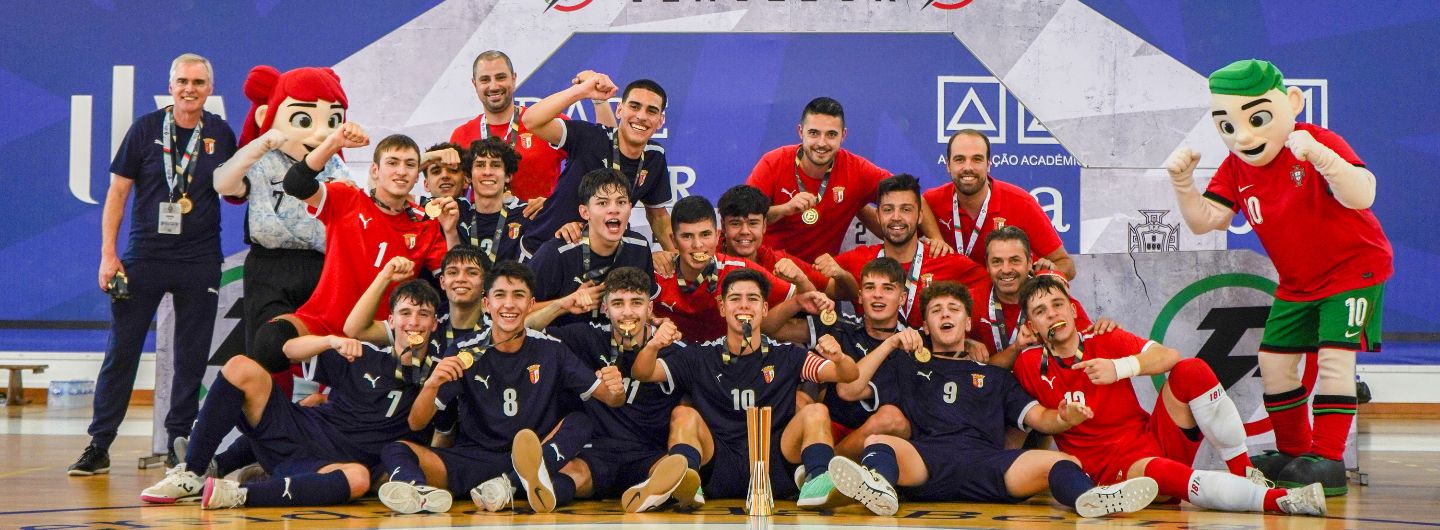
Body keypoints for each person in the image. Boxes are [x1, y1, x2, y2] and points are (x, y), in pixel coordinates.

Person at [1166, 59, 1391, 496]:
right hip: (1298, 282)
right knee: (1273, 362)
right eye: (1227, 126)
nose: (1243, 136)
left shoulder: (1316, 141)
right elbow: (1206, 221)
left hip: (1353, 269)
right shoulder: (1236, 167)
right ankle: (1293, 451)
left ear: (1290, 103)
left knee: (1333, 361)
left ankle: (1328, 459)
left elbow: (1364, 193)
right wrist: (1183, 185)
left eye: (1257, 119)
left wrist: (1324, 159)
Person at [828, 282, 1158, 517]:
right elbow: (848, 390)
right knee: (880, 441)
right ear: (925, 325)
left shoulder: (997, 376)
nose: (946, 315)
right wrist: (890, 345)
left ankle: (1090, 498)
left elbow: (1040, 418)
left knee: (1064, 463)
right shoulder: (907, 364)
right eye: (936, 311)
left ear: (968, 322)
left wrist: (1065, 417)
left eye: (954, 309)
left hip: (988, 464)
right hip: (926, 463)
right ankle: (879, 488)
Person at [1011, 275, 1327, 516]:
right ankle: (1279, 501)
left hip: (1152, 437)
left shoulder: (1105, 338)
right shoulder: (1028, 364)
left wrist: (1119, 368)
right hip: (1112, 467)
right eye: (1041, 311)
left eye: (1057, 305)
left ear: (1071, 307)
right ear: (1032, 326)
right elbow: (1031, 417)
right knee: (1160, 471)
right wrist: (1064, 418)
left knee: (1191, 369)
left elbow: (1168, 357)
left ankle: (1245, 474)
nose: (1052, 314)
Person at [72, 53, 238, 475]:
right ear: (170, 86)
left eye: (199, 82)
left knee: (191, 355)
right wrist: (109, 254)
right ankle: (99, 444)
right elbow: (117, 193)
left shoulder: (220, 132)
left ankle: (176, 443)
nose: (190, 89)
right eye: (183, 81)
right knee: (122, 352)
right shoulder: (145, 129)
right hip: (144, 256)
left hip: (199, 259)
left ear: (210, 89)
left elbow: (238, 189)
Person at [137, 279, 441, 509]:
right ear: (391, 321)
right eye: (405, 312)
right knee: (242, 366)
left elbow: (426, 427)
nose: (413, 321)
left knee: (358, 478)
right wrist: (330, 341)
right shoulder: (365, 354)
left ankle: (235, 495)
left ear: (434, 324)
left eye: (423, 314)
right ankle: (192, 472)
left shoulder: (438, 373)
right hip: (296, 430)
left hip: (325, 464)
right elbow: (287, 350)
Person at [375, 261, 627, 514]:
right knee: (397, 449)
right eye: (499, 295)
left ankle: (510, 484)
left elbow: (611, 399)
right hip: (476, 459)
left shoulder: (553, 349)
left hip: (533, 458)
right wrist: (431, 384)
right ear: (486, 304)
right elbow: (417, 423)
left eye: (518, 296)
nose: (508, 304)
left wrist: (615, 388)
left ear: (530, 304)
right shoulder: (464, 350)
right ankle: (419, 493)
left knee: (580, 422)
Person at [243, 131, 456, 391]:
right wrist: (334, 142)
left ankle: (325, 395)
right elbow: (296, 184)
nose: (401, 171)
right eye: (393, 163)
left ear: (416, 177)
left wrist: (450, 230)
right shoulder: (347, 198)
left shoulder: (425, 222)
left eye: (410, 165)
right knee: (268, 343)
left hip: (375, 332)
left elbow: (453, 279)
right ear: (375, 170)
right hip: (323, 322)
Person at [630, 269, 861, 509]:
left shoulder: (788, 355)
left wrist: (840, 357)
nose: (744, 306)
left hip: (775, 466)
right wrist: (653, 346)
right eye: (735, 299)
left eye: (752, 299)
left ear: (764, 308)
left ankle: (818, 481)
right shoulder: (699, 356)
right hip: (717, 466)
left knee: (816, 411)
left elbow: (847, 375)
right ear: (722, 307)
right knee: (683, 414)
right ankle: (685, 480)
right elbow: (643, 373)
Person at [212, 65, 353, 398]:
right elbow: (223, 183)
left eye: (331, 121)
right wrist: (257, 147)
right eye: (305, 121)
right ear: (266, 115)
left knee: (332, 351)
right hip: (271, 267)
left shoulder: (335, 165)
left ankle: (326, 426)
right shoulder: (260, 160)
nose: (319, 134)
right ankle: (266, 434)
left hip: (323, 266)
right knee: (268, 351)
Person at [532, 267, 693, 512]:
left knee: (672, 470)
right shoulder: (587, 337)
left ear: (650, 309)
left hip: (649, 455)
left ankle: (656, 491)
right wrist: (562, 305)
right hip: (597, 453)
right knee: (573, 475)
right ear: (605, 308)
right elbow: (524, 332)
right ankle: (536, 492)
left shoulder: (673, 347)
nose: (627, 312)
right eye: (618, 303)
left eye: (636, 302)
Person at [746, 97, 951, 263]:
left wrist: (937, 240)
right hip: (766, 272)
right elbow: (744, 218)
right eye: (814, 133)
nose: (822, 143)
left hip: (818, 282)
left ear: (843, 136)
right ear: (801, 132)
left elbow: (912, 196)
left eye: (831, 135)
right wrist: (785, 209)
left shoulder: (857, 169)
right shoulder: (773, 162)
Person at [521, 72, 675, 254]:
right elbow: (531, 121)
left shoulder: (654, 156)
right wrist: (581, 91)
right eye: (634, 106)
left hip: (599, 262)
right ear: (620, 110)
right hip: (542, 251)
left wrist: (679, 261)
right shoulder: (590, 137)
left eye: (651, 111)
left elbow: (658, 216)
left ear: (660, 121)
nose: (641, 116)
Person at [819, 174, 986, 330]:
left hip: (929, 359)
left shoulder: (946, 260)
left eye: (906, 209)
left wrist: (968, 337)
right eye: (888, 210)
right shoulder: (857, 260)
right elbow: (811, 278)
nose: (896, 217)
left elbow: (996, 293)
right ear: (877, 215)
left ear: (920, 216)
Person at [449, 50, 613, 201]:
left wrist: (599, 100)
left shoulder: (544, 124)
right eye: (485, 79)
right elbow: (454, 197)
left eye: (500, 77)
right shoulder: (461, 135)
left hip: (541, 228)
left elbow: (606, 151)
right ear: (474, 84)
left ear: (513, 79)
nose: (493, 86)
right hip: (484, 231)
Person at [922, 128, 1075, 279]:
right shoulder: (930, 202)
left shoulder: (1021, 203)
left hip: (1009, 299)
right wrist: (936, 237)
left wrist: (1045, 274)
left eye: (977, 159)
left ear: (988, 164)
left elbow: (1066, 264)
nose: (968, 167)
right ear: (948, 164)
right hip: (953, 300)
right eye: (959, 159)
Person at [653, 195, 796, 342]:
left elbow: (801, 298)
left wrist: (802, 284)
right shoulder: (655, 273)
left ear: (717, 236)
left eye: (705, 235)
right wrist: (653, 322)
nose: (697, 245)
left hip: (729, 361)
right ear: (673, 241)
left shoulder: (742, 271)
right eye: (687, 236)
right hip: (673, 360)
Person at [528, 168, 654, 327]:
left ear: (630, 208)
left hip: (617, 344)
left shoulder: (639, 247)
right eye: (603, 203)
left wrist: (655, 321)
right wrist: (564, 304)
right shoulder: (556, 253)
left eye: (621, 202)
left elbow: (644, 307)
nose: (613, 209)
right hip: (561, 345)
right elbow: (518, 312)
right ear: (585, 212)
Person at [967, 226, 1103, 369]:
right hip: (991, 386)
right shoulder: (970, 301)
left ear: (1030, 262)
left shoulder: (1054, 300)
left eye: (1014, 260)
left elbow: (1091, 351)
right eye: (997, 262)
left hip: (1043, 387)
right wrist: (965, 344)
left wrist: (1105, 328)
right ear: (987, 265)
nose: (1006, 270)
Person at [716, 184, 830, 293]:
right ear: (723, 225)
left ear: (764, 225)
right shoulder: (708, 254)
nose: (745, 231)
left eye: (753, 223)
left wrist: (802, 281)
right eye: (735, 224)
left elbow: (833, 289)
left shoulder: (778, 262)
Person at [456, 137, 534, 264]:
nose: (487, 172)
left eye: (495, 165)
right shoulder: (459, 212)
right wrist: (431, 157)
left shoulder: (527, 213)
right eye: (480, 165)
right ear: (469, 176)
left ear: (508, 176)